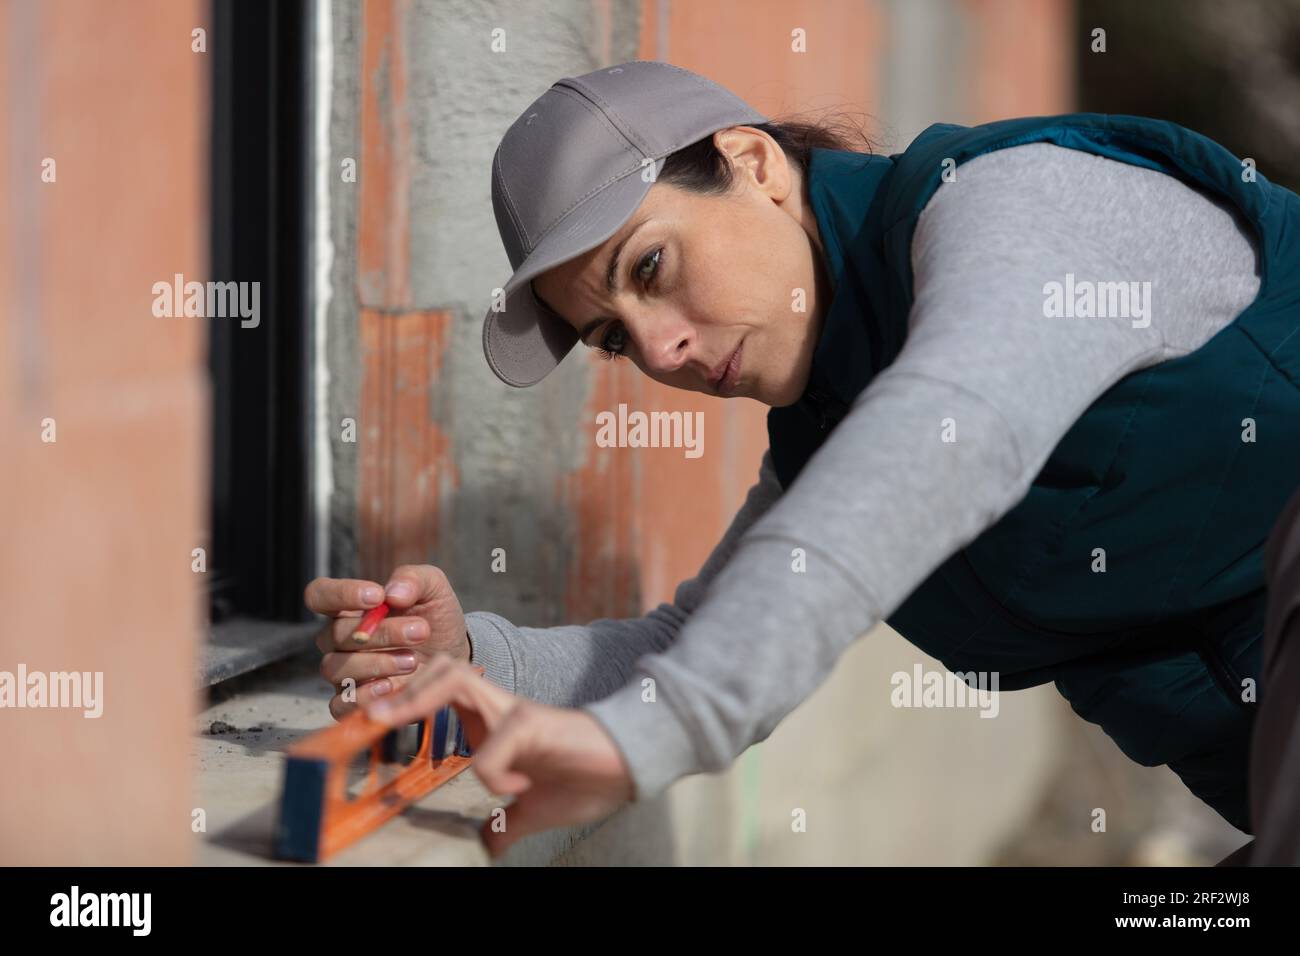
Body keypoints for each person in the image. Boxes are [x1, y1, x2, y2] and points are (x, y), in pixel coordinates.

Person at [304, 60, 1300, 860]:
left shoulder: (1017, 206)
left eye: (651, 268)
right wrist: (476, 660)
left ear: (753, 162)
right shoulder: (833, 424)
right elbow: (692, 643)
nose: (659, 352)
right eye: (612, 336)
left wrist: (643, 740)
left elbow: (953, 423)